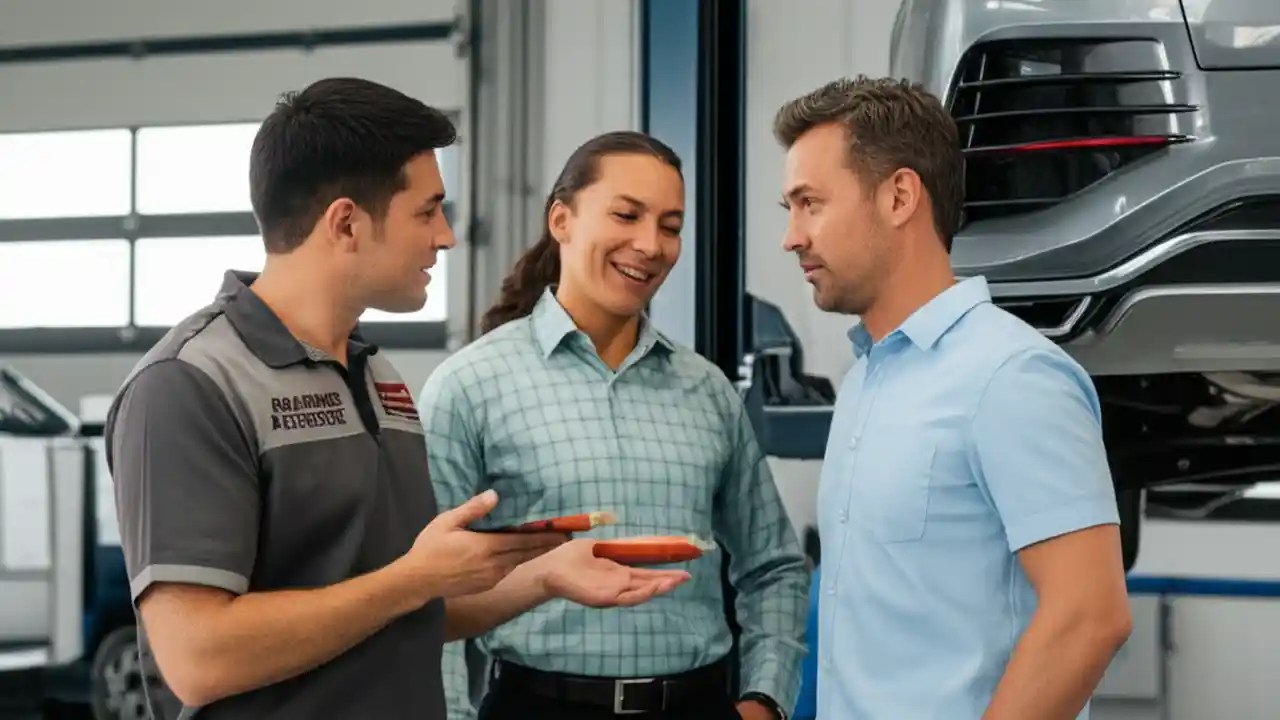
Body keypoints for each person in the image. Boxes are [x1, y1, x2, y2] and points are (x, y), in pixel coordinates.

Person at [103, 78, 690, 720]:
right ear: (347, 222)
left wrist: (542, 578)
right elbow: (199, 659)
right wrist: (414, 579)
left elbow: (397, 610)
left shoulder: (376, 375)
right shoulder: (189, 384)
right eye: (428, 210)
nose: (446, 236)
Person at [772, 76, 1133, 719]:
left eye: (811, 203)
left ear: (900, 196)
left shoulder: (1012, 377)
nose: (792, 237)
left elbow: (1089, 616)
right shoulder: (867, 381)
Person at [418, 130, 810, 720]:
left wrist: (764, 701)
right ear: (562, 219)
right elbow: (430, 594)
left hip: (699, 704)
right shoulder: (468, 386)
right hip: (539, 706)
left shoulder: (707, 391)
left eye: (671, 226)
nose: (650, 245)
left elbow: (774, 566)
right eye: (626, 215)